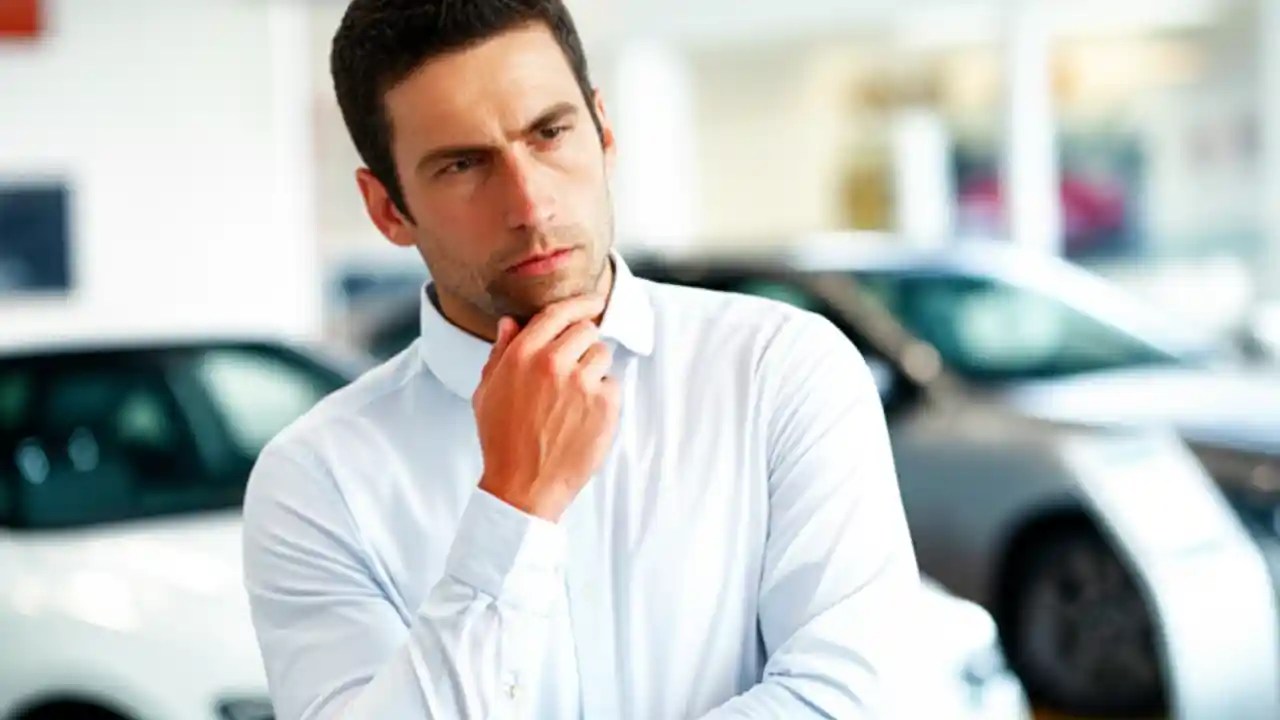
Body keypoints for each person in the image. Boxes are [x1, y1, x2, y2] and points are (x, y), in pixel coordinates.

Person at [241, 1, 921, 718]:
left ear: (603, 130)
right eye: (464, 164)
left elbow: (853, 701)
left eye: (550, 132)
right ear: (387, 208)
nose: (529, 204)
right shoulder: (317, 483)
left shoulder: (780, 371)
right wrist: (514, 504)